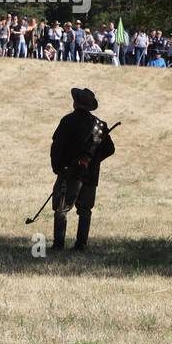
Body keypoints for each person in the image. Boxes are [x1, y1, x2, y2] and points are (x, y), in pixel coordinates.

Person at [50, 87, 115, 251]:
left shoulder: (68, 121)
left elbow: (57, 146)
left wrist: (58, 168)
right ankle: (81, 245)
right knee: (85, 210)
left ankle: (59, 245)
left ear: (75, 103)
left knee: (62, 208)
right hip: (90, 174)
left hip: (69, 173)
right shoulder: (100, 125)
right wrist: (92, 161)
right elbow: (109, 149)